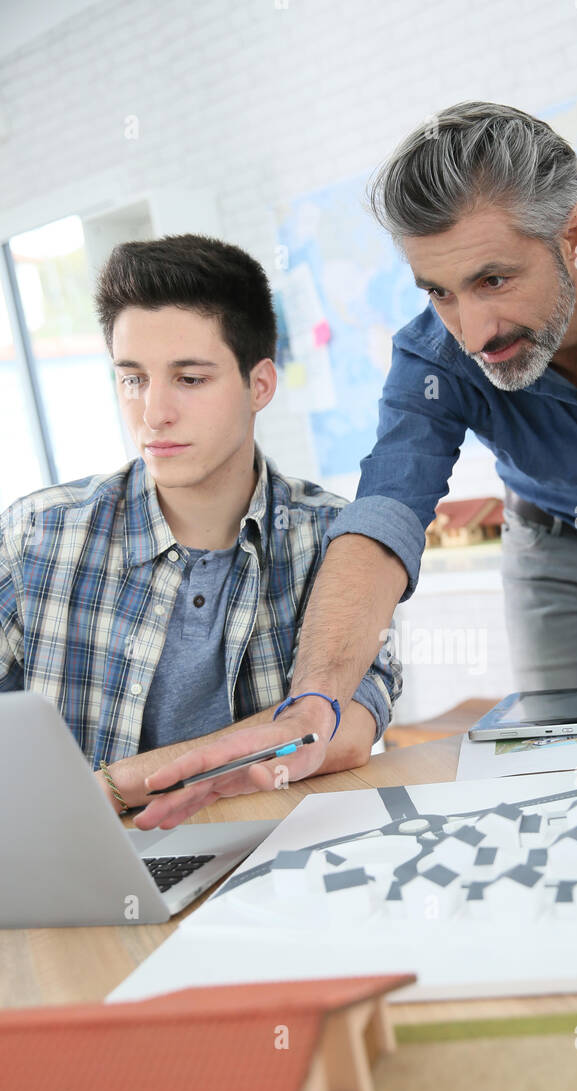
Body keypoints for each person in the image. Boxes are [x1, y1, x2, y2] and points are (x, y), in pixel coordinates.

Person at [138, 100, 577, 829]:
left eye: (493, 280)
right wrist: (315, 700)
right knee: (562, 782)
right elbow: (383, 518)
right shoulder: (431, 360)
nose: (472, 331)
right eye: (439, 291)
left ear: (573, 234)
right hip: (556, 556)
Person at [0, 234, 401, 816]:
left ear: (259, 385)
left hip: (271, 872)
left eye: (190, 378)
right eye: (133, 378)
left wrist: (116, 785)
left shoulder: (335, 539)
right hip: (75, 880)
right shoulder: (37, 535)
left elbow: (344, 727)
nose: (153, 412)